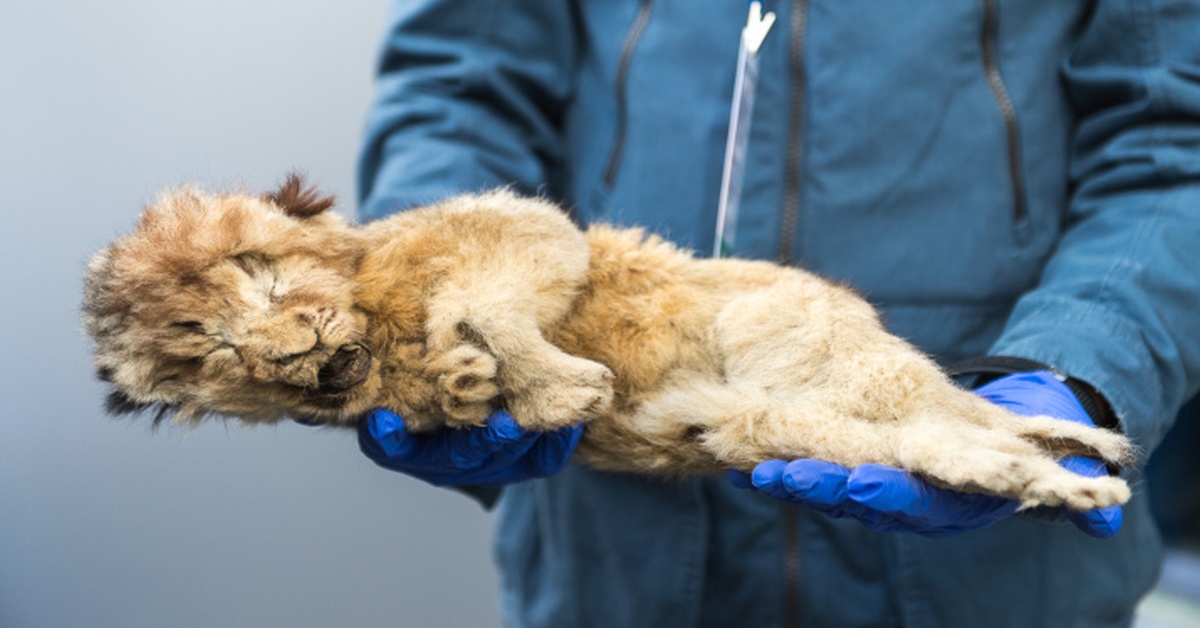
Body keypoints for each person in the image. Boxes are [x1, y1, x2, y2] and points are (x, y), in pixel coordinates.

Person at [351, 2, 1200, 626]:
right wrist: (438, 314)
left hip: (996, 588)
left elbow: (1173, 150)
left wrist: (1077, 368)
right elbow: (460, 88)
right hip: (617, 565)